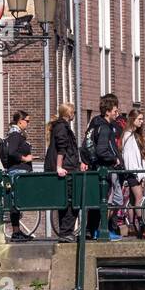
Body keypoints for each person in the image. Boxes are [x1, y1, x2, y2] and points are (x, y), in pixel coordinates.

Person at [86, 94, 124, 241]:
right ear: (107, 111)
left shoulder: (101, 125)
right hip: (106, 169)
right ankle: (101, 230)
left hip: (104, 168)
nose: (117, 113)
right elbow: (102, 150)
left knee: (113, 200)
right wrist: (114, 159)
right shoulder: (104, 127)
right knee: (108, 200)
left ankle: (102, 229)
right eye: (115, 110)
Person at [49, 103, 86, 241]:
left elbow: (67, 150)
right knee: (72, 200)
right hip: (67, 169)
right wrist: (59, 167)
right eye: (74, 112)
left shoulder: (60, 127)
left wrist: (78, 163)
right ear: (69, 113)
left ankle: (66, 232)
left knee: (68, 201)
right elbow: (62, 148)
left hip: (70, 167)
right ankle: (65, 232)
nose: (74, 115)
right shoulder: (62, 127)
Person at [1, 110, 34, 242]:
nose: (28, 123)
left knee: (17, 202)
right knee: (16, 202)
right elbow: (12, 152)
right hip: (17, 172)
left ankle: (17, 231)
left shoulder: (17, 134)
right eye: (27, 121)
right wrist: (25, 159)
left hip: (18, 171)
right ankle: (16, 232)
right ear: (20, 121)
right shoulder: (15, 135)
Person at [120, 109, 145, 236]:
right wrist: (138, 174)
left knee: (133, 200)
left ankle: (133, 227)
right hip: (133, 172)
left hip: (136, 172)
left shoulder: (135, 134)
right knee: (139, 198)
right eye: (139, 119)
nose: (142, 122)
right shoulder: (128, 135)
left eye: (142, 119)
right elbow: (129, 157)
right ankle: (143, 227)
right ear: (133, 119)